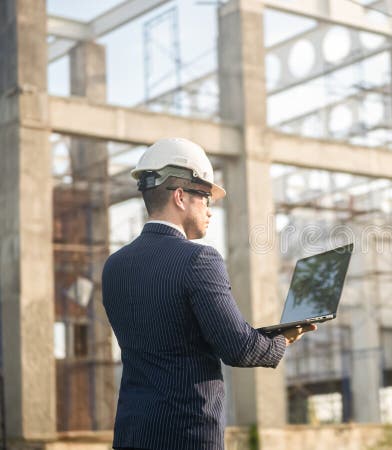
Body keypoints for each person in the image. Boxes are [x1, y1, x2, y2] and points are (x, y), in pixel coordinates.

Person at [102, 137, 315, 450]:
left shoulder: (114, 266)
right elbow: (238, 348)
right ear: (180, 196)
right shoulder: (199, 259)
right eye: (205, 196)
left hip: (131, 435)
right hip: (187, 435)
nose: (210, 209)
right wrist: (282, 340)